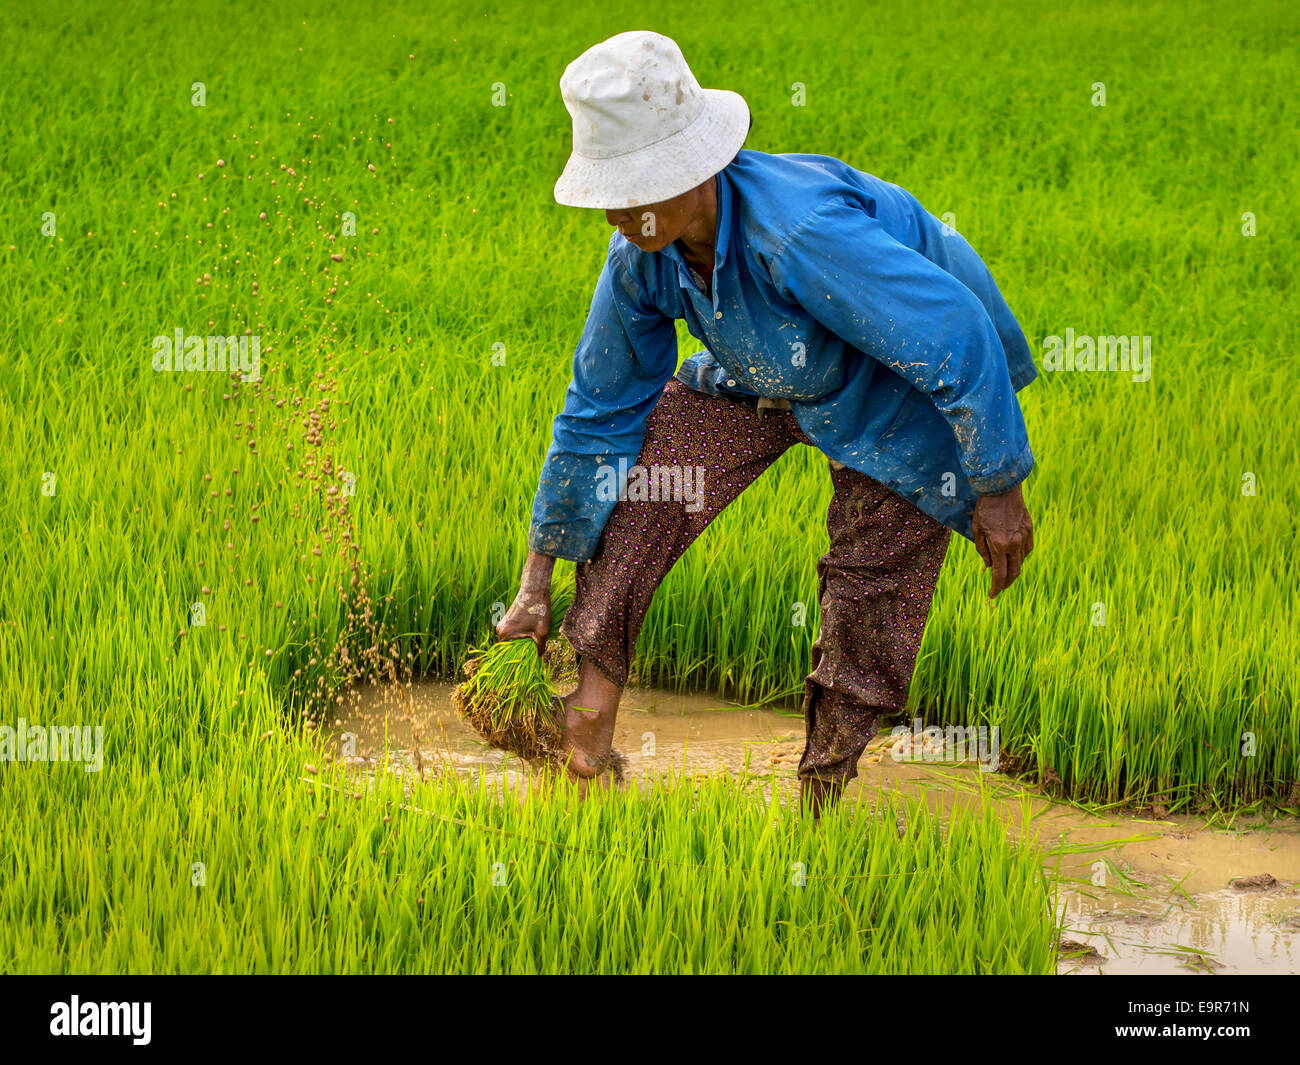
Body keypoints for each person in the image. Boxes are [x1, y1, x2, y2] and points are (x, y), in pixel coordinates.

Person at [497, 30, 1037, 815]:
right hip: (767, 373)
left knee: (868, 587)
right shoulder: (642, 255)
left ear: (693, 168)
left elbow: (952, 332)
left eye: (635, 187)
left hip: (898, 381)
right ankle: (587, 734)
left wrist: (997, 486)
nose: (617, 212)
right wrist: (536, 579)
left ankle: (820, 804)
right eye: (609, 192)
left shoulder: (800, 232)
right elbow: (596, 416)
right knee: (646, 487)